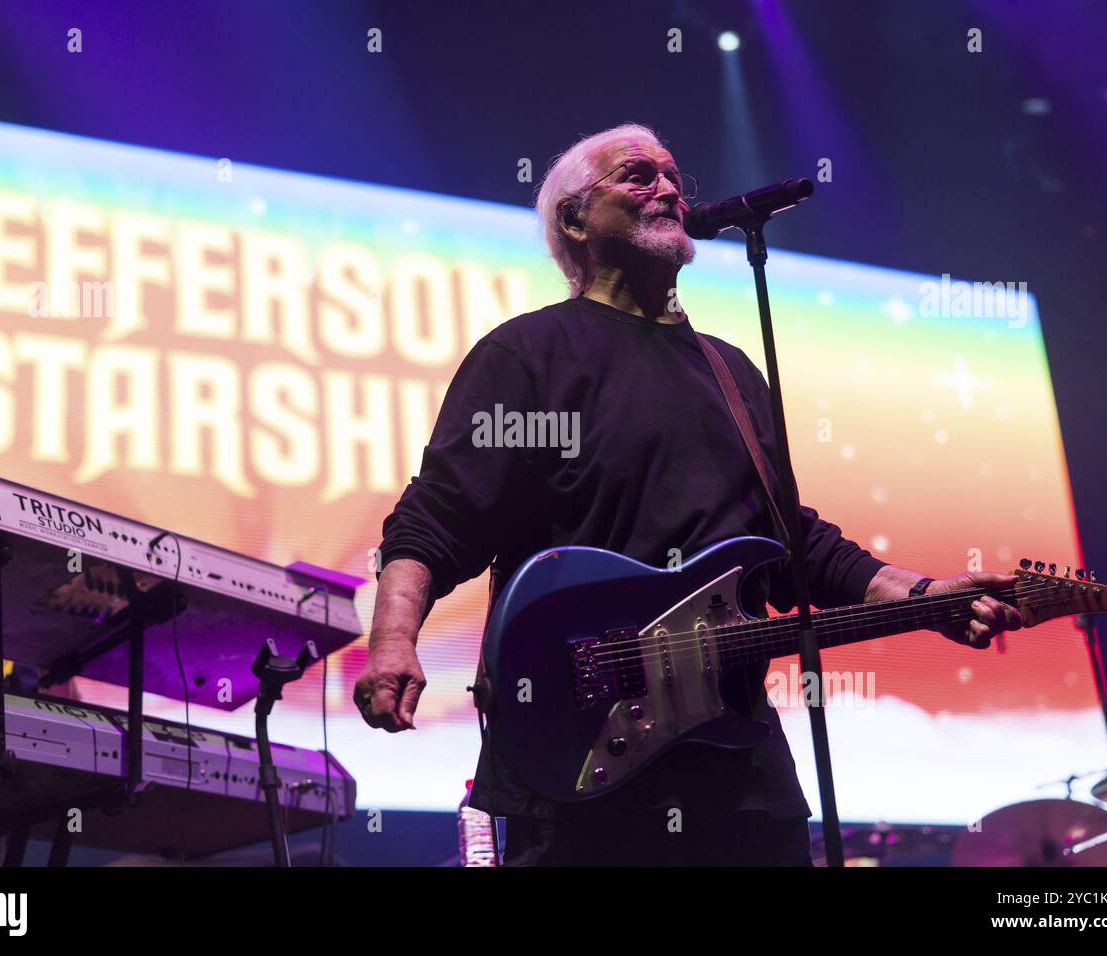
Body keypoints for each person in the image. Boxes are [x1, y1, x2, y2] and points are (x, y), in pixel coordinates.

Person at [353, 123, 1023, 866]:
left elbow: (792, 544)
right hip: (583, 750)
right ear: (574, 219)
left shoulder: (732, 373)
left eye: (673, 176)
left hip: (739, 767)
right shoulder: (532, 355)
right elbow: (437, 520)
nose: (669, 190)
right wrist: (391, 642)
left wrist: (925, 596)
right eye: (637, 175)